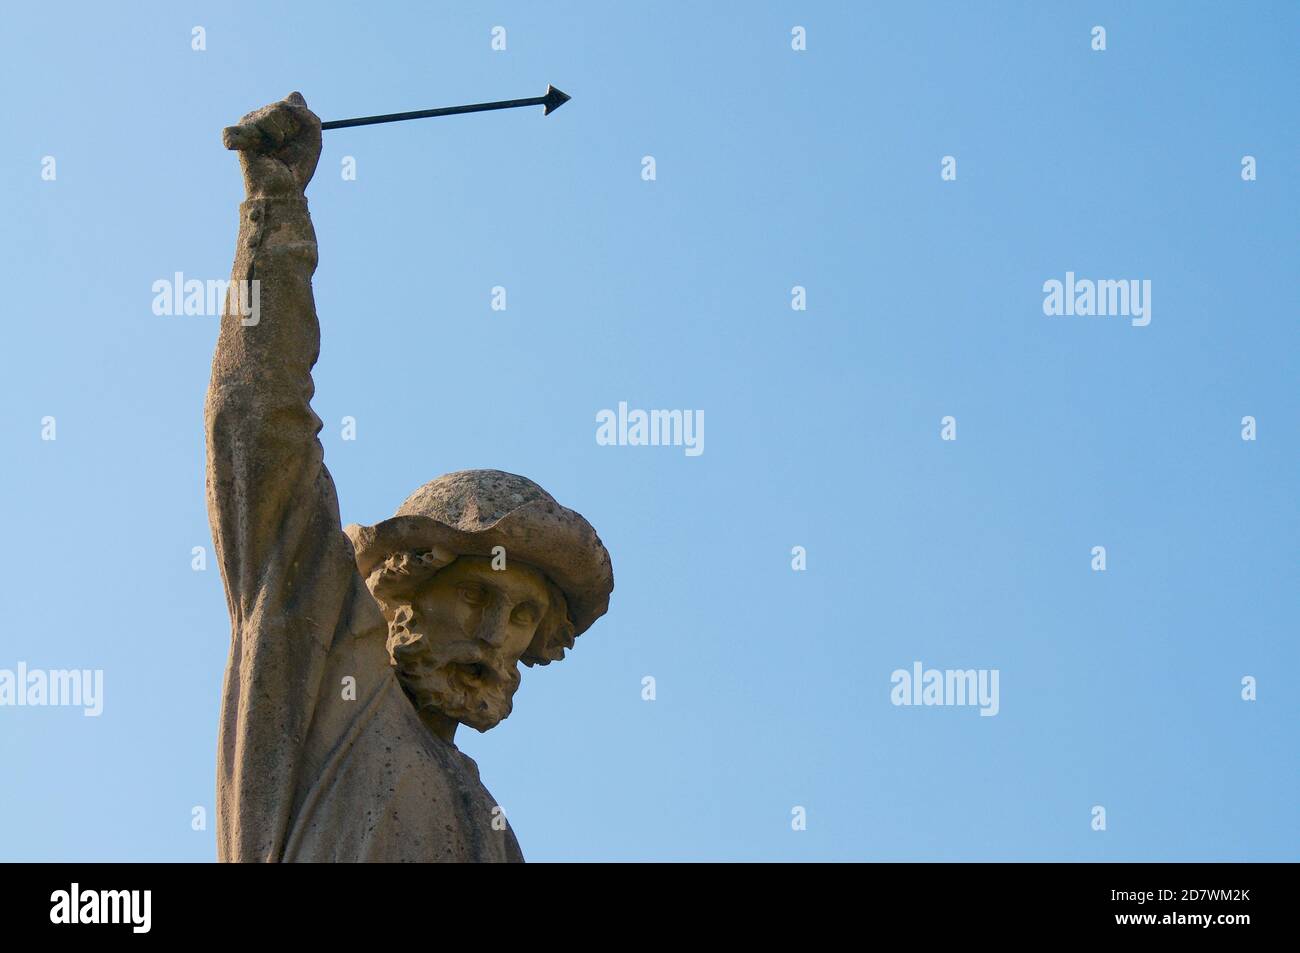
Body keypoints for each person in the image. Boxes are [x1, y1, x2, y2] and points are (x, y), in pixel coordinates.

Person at [207, 92, 613, 862]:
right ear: (403, 590)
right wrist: (275, 213)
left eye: (523, 615)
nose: (496, 635)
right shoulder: (321, 667)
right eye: (474, 594)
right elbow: (259, 433)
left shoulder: (492, 828)